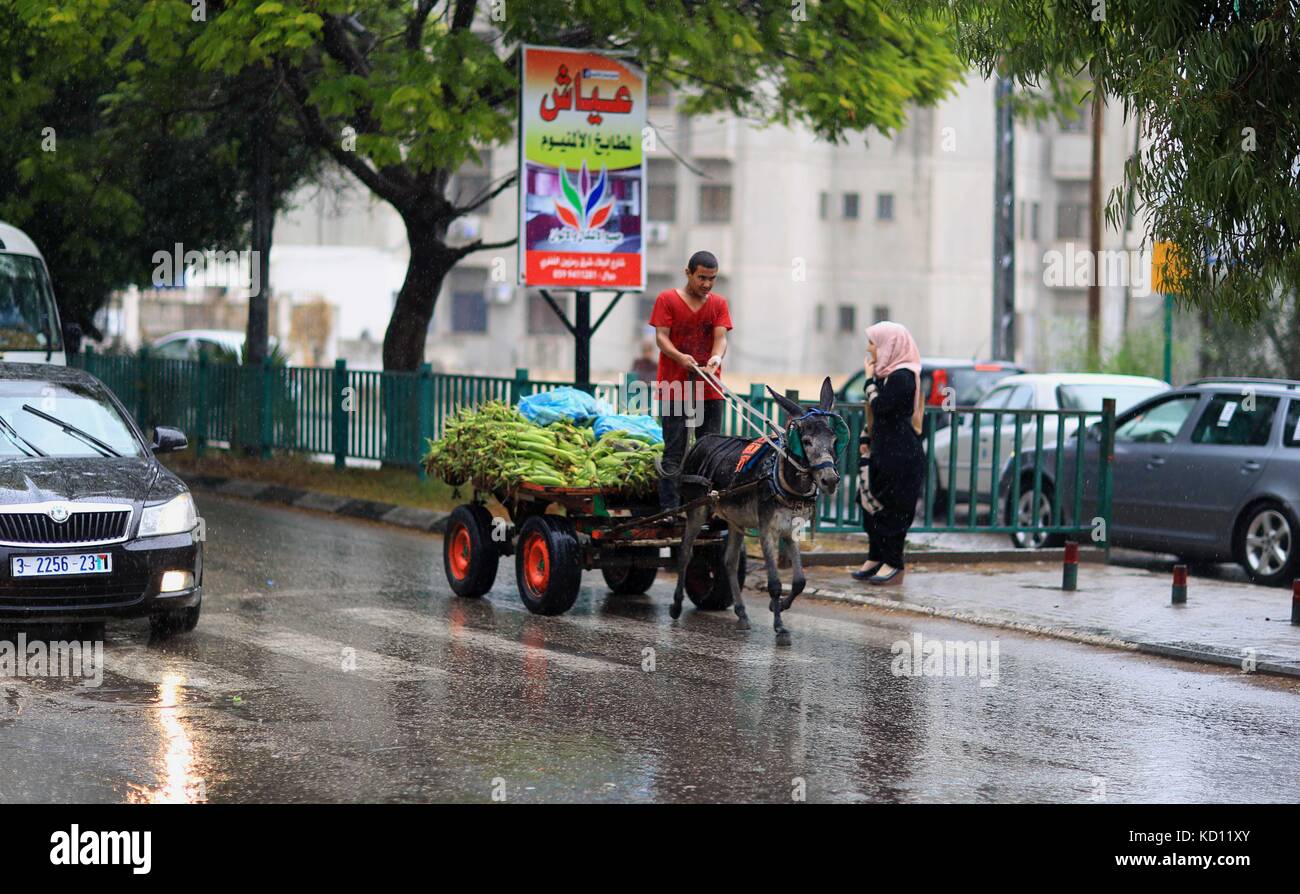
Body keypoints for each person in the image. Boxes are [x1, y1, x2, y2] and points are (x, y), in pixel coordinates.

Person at [648, 250, 733, 509]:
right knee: (675, 450)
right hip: (674, 387)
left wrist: (715, 358)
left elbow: (721, 338)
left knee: (710, 450)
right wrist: (680, 357)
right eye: (702, 278)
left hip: (709, 388)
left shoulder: (718, 304)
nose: (707, 284)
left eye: (712, 278)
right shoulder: (667, 299)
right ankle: (670, 509)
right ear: (688, 273)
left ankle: (706, 509)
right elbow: (661, 338)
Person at [852, 321, 925, 586]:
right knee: (870, 504)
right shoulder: (886, 375)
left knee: (893, 509)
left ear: (889, 345)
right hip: (883, 451)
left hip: (901, 455)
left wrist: (869, 381)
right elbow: (876, 417)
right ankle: (876, 556)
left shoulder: (902, 376)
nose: (870, 348)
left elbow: (882, 407)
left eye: (873, 343)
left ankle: (893, 562)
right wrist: (866, 439)